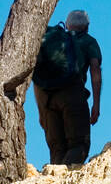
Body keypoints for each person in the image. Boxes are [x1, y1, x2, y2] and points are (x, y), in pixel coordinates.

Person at [32, 9, 102, 167]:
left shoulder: (51, 42)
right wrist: (96, 105)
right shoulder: (89, 42)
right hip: (72, 94)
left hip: (46, 98)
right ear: (87, 26)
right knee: (79, 145)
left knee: (57, 148)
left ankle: (53, 182)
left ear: (68, 25)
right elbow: (95, 72)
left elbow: (36, 77)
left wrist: (41, 111)